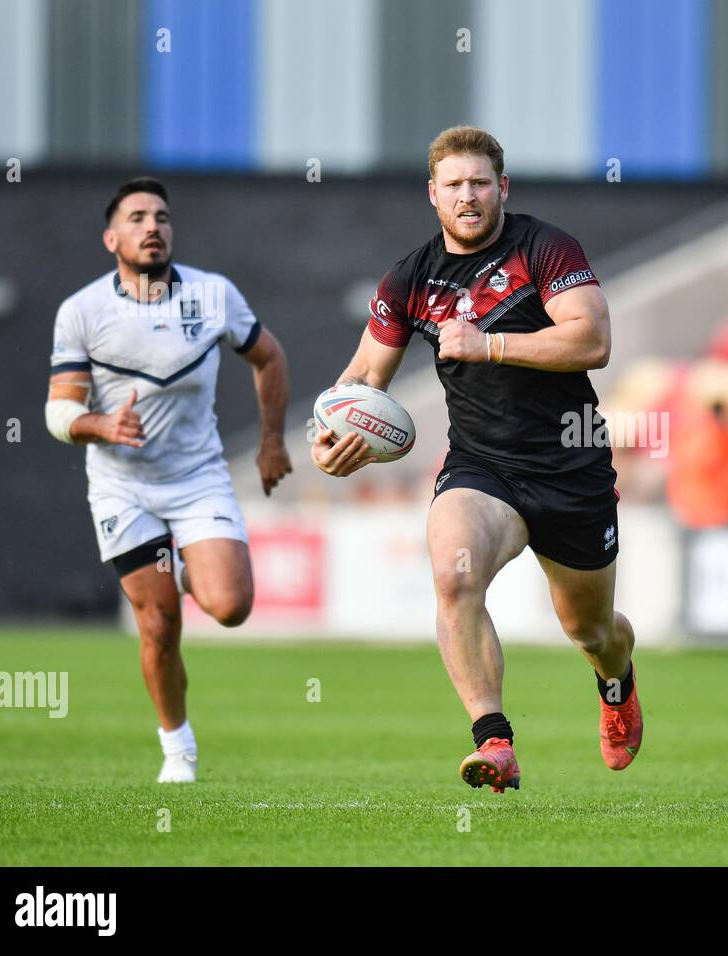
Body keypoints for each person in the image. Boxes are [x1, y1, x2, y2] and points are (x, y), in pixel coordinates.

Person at [312, 126, 640, 793]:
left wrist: (489, 344)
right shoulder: (409, 278)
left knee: (591, 627)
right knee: (454, 577)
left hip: (571, 461)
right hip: (481, 466)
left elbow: (593, 339)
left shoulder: (543, 248)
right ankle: (494, 742)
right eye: (454, 185)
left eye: (480, 183)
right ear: (434, 195)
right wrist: (332, 434)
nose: (468, 196)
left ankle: (616, 682)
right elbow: (362, 379)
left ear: (502, 189)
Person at [46, 177, 292, 783]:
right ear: (112, 238)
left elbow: (270, 357)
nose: (152, 226)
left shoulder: (213, 295)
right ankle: (177, 750)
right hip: (121, 483)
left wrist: (269, 441)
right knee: (158, 624)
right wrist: (100, 423)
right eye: (136, 217)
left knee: (230, 606)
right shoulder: (82, 310)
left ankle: (179, 568)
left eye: (161, 216)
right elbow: (57, 410)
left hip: (196, 476)